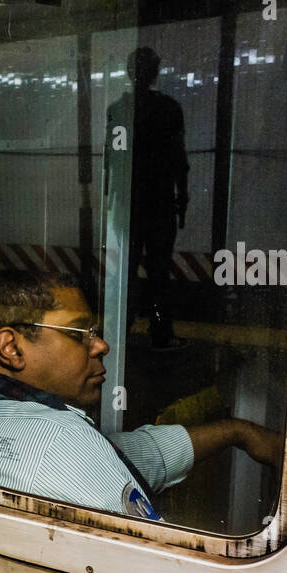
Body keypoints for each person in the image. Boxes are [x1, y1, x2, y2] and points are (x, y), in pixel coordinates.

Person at [0, 273, 282, 521]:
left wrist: (235, 431)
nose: (100, 346)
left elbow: (133, 455)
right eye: (80, 333)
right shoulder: (59, 438)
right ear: (12, 348)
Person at [105, 47, 190, 348]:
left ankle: (119, 330)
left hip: (129, 202)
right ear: (156, 72)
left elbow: (112, 159)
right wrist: (183, 194)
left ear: (130, 72)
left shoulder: (118, 109)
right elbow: (178, 158)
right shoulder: (170, 109)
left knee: (125, 271)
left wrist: (111, 198)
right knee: (159, 271)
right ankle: (160, 333)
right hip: (160, 201)